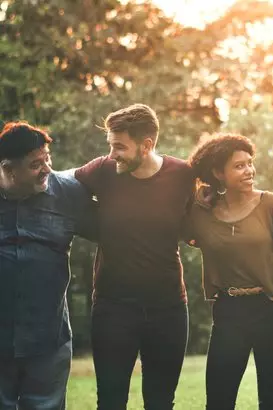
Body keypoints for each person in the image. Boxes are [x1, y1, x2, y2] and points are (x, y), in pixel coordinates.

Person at [74, 104, 195, 409]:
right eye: (110, 146)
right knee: (111, 401)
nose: (112, 153)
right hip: (113, 309)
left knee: (160, 401)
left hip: (168, 309)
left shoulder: (181, 174)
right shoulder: (103, 170)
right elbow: (60, 186)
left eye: (119, 147)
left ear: (147, 145)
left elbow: (198, 217)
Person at [186, 134, 273, 410]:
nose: (249, 171)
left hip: (271, 308)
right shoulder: (200, 214)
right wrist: (197, 195)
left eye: (250, 163)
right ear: (217, 173)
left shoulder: (271, 204)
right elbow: (172, 208)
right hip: (228, 310)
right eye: (239, 166)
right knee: (219, 399)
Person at [0, 122, 97, 409]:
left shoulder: (68, 193)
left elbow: (116, 225)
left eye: (47, 159)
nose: (46, 169)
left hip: (48, 337)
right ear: (8, 169)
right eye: (35, 164)